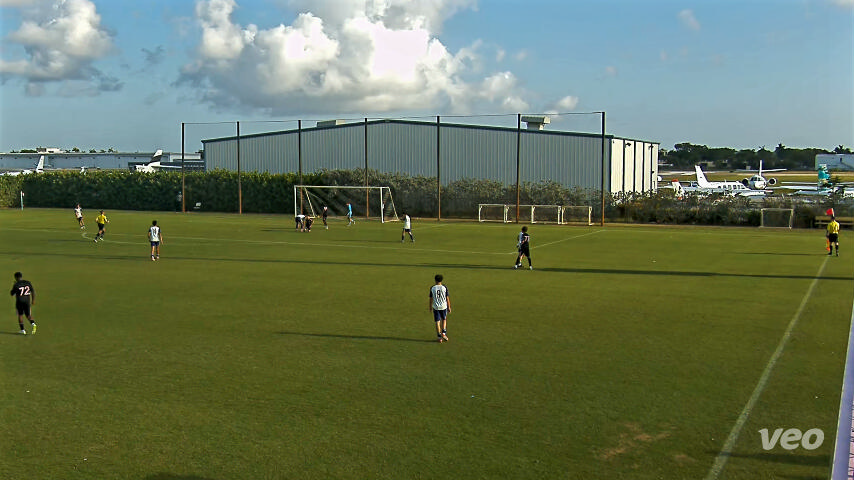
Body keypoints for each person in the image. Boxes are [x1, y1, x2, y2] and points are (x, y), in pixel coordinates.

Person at [429, 274, 451, 343]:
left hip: (436, 307)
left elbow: (431, 298)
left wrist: (430, 307)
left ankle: (439, 337)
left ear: (435, 280)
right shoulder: (444, 287)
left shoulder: (432, 288)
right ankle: (444, 333)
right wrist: (449, 307)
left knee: (437, 321)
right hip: (444, 306)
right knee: (444, 319)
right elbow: (447, 298)